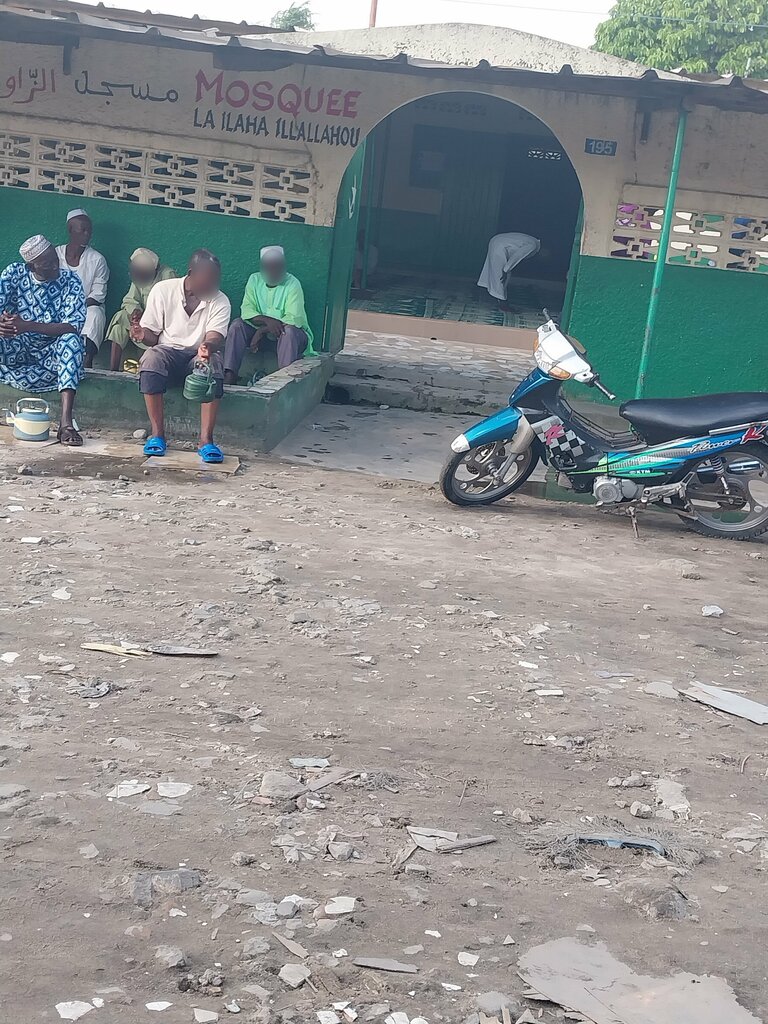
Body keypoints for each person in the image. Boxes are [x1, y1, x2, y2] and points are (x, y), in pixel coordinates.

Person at [131, 249, 231, 464]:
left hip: (198, 354)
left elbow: (216, 335)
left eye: (215, 280)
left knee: (213, 363)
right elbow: (152, 336)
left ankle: (206, 441)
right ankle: (157, 435)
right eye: (207, 280)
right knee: (151, 358)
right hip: (167, 351)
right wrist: (141, 334)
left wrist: (207, 346)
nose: (212, 286)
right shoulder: (163, 290)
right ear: (191, 273)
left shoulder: (220, 300)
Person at [0, 235, 86, 446]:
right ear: (32, 266)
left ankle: (66, 424)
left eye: (55, 258)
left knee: (72, 341)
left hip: (52, 356)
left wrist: (27, 325)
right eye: (47, 263)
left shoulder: (70, 281)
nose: (55, 265)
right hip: (15, 351)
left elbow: (73, 326)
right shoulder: (14, 274)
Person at [223, 246, 314, 385]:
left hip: (288, 339)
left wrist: (262, 330)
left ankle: (284, 382)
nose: (273, 272)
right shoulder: (254, 280)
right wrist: (267, 321)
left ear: (284, 267)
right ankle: (229, 376)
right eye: (269, 267)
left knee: (288, 332)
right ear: (262, 268)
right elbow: (246, 311)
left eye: (278, 267)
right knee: (237, 326)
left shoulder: (293, 284)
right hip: (260, 338)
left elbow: (293, 319)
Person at [106, 248, 176, 371]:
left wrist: (147, 317)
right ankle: (113, 370)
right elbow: (130, 300)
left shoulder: (167, 276)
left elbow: (171, 309)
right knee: (120, 317)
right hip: (141, 320)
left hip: (160, 324)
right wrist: (135, 312)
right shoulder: (140, 276)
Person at [56, 209, 109, 368]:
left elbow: (98, 295)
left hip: (85, 308)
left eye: (89, 231)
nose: (87, 234)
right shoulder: (55, 255)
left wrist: (75, 309)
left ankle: (87, 363)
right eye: (82, 230)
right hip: (55, 307)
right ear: (70, 230)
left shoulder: (97, 260)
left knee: (96, 314)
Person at [477, 232, 541, 309]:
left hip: (496, 240)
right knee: (500, 276)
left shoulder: (531, 240)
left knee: (492, 270)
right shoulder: (533, 245)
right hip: (500, 246)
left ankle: (487, 294)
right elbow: (518, 256)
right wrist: (506, 269)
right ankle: (503, 304)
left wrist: (507, 269)